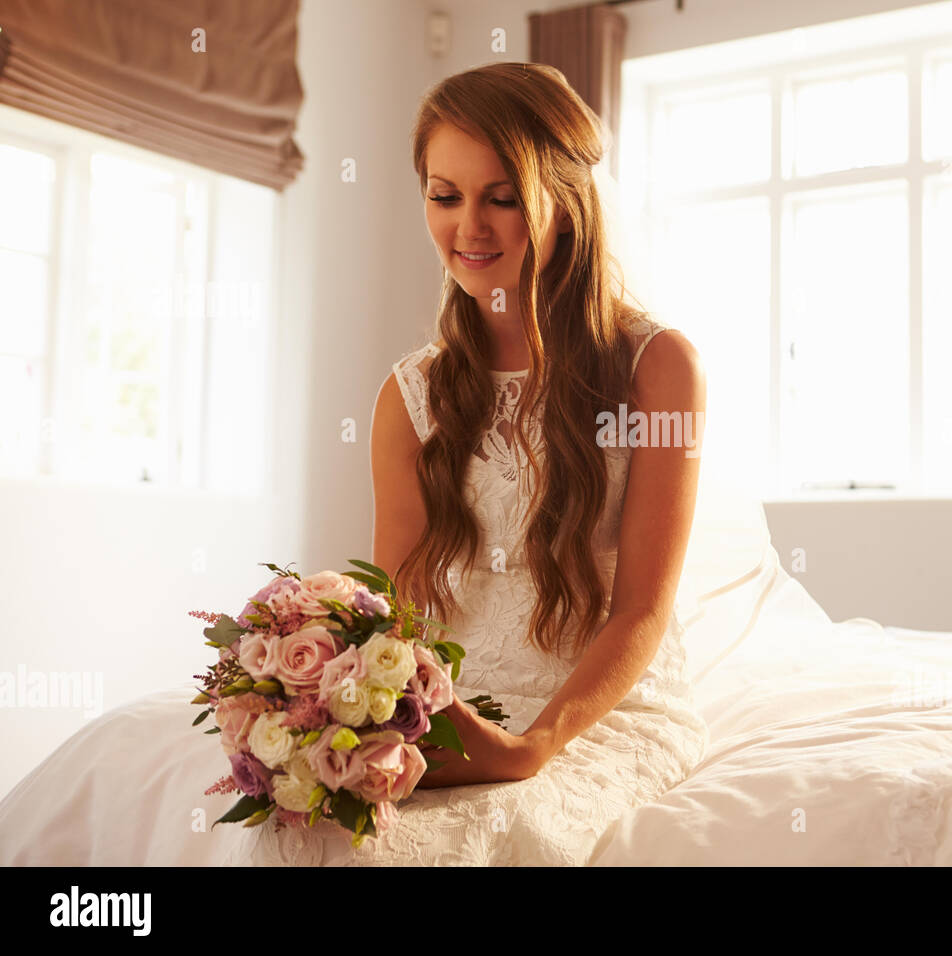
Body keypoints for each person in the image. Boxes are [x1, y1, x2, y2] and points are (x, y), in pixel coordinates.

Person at [239, 62, 710, 865]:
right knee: (308, 841)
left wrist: (532, 745)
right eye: (444, 194)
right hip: (449, 707)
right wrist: (377, 714)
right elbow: (393, 612)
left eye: (501, 197)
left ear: (564, 198)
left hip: (593, 708)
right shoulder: (409, 395)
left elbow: (642, 609)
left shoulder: (658, 368)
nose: (470, 229)